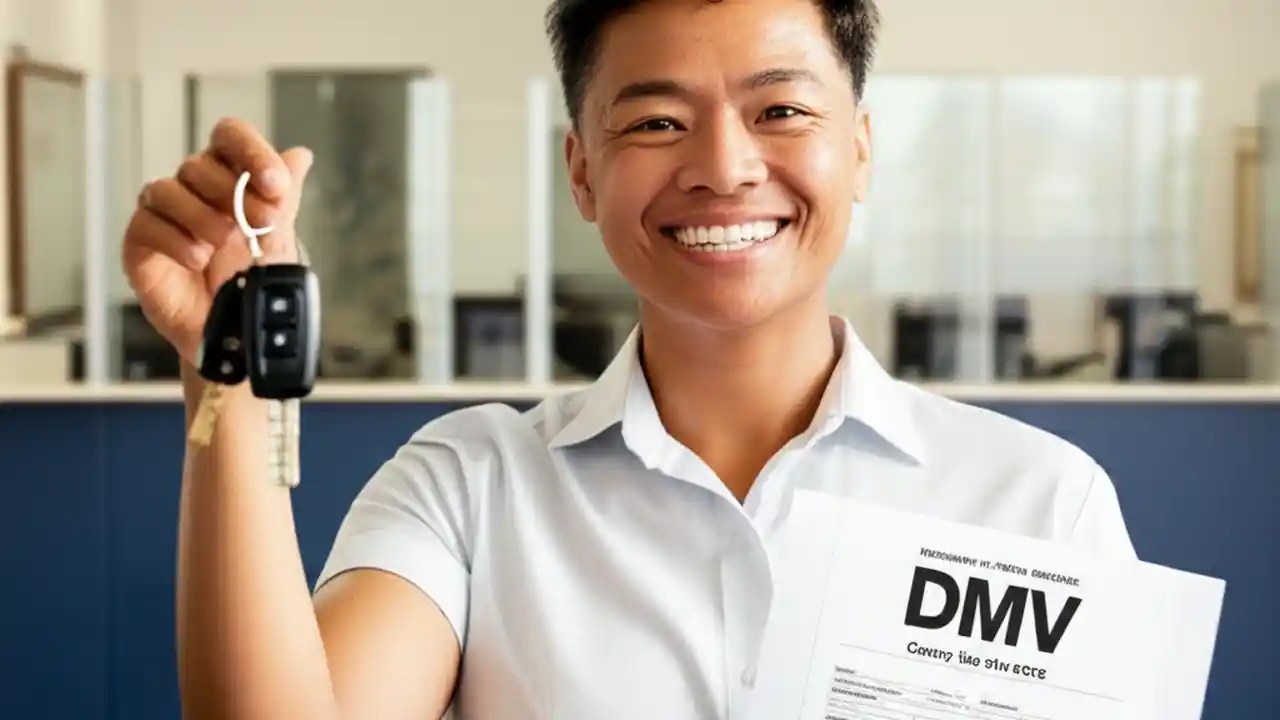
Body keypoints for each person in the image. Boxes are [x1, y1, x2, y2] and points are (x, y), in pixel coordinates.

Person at [122, 0, 1137, 717]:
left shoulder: (1040, 502)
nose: (724, 167)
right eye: (656, 122)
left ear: (859, 149)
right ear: (580, 170)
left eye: (779, 110)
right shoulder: (471, 484)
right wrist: (231, 375)